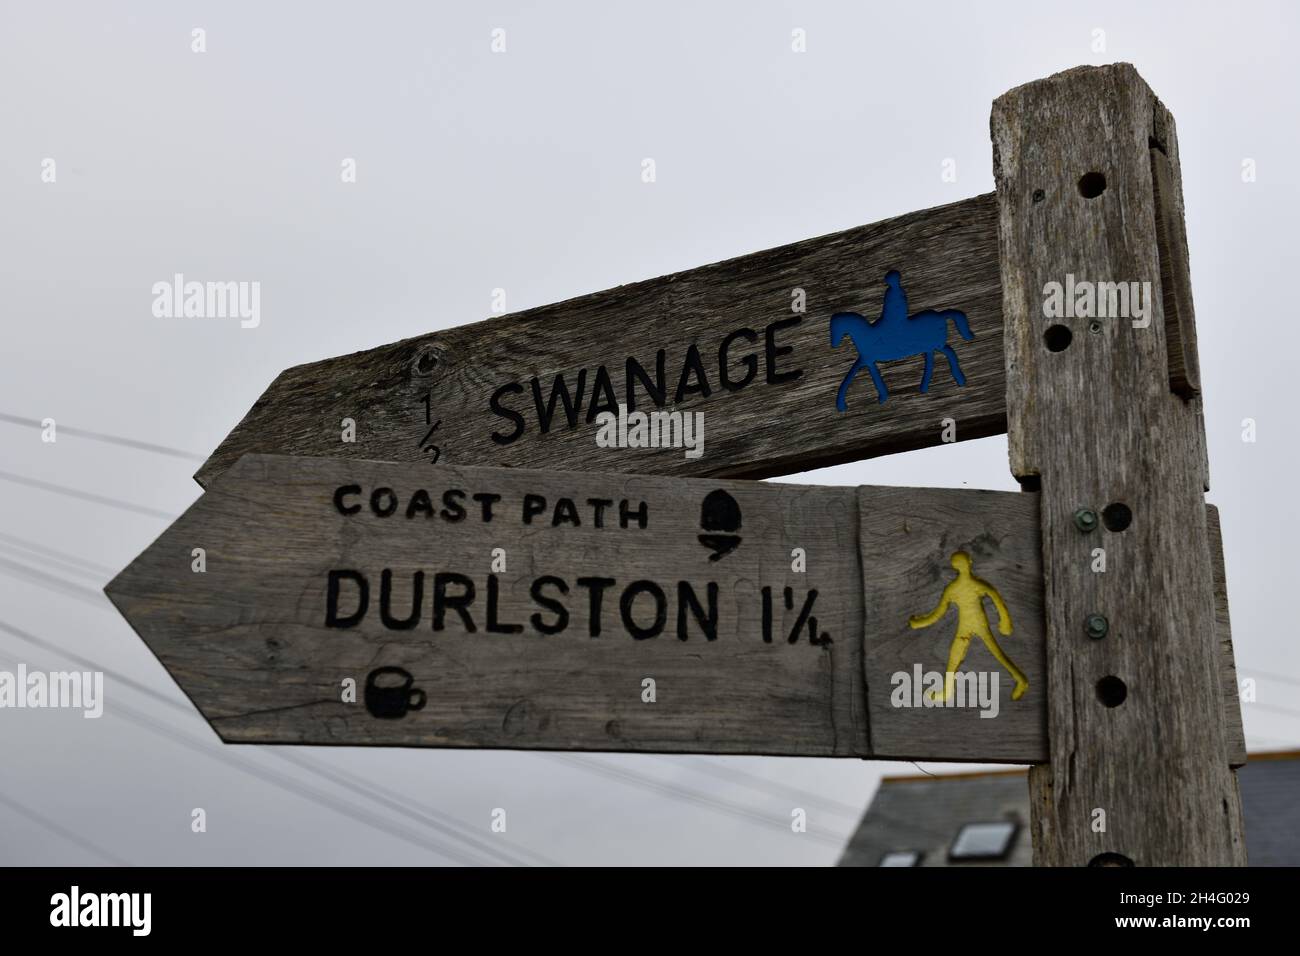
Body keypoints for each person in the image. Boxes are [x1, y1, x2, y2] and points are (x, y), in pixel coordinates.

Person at [908, 550, 1029, 702]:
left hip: (978, 623)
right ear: (969, 563)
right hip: (966, 626)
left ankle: (1020, 679)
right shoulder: (955, 589)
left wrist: (1005, 621)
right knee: (957, 654)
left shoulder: (963, 587)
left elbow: (938, 614)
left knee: (995, 651)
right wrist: (919, 622)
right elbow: (938, 613)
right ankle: (946, 691)